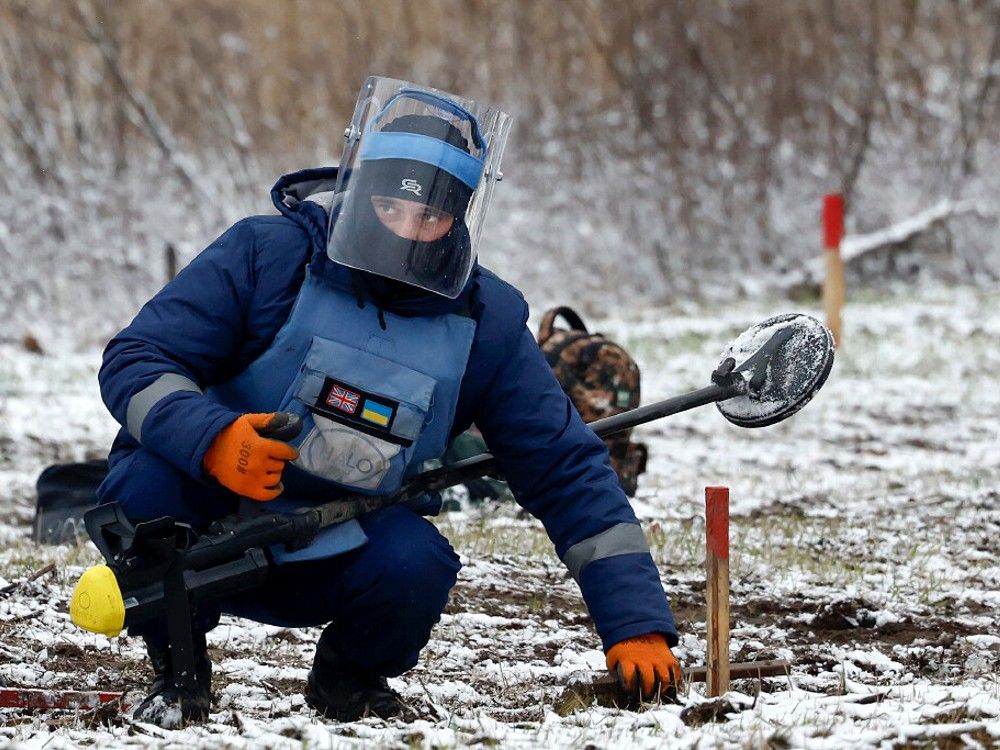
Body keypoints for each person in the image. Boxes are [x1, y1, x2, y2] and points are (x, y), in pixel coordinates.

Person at [94, 78, 680, 727]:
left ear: (460, 216)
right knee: (145, 491)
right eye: (389, 207)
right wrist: (212, 440)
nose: (406, 232)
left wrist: (635, 621)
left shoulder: (486, 324)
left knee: (417, 563)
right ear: (358, 188)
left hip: (341, 532)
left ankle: (348, 680)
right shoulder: (265, 256)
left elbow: (564, 465)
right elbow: (136, 358)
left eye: (430, 216)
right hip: (209, 513)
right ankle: (179, 673)